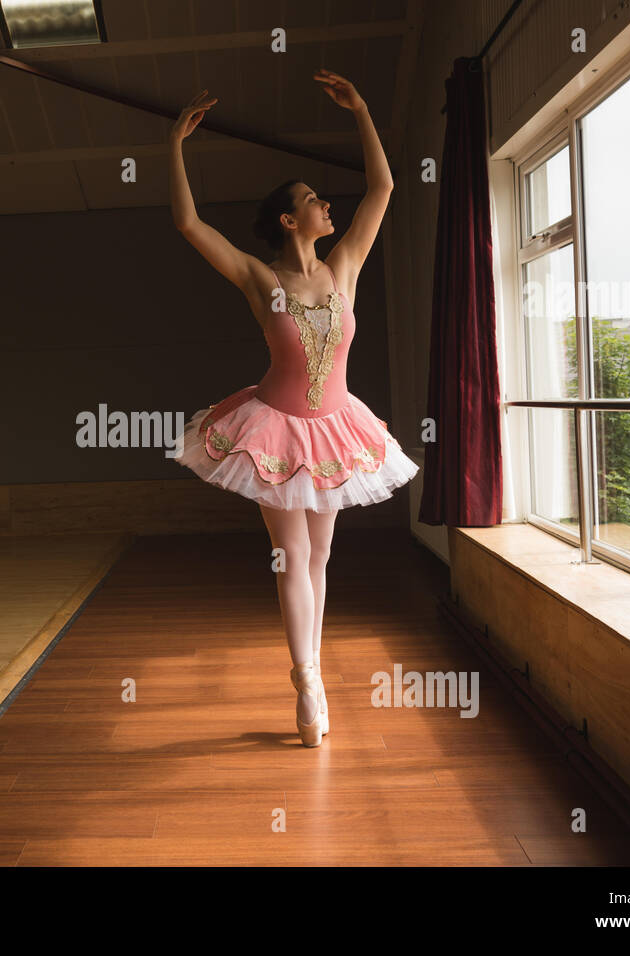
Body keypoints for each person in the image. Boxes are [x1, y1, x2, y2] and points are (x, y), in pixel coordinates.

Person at [168, 70, 419, 747]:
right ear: (288, 220)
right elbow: (189, 224)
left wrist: (362, 107)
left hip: (336, 427)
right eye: (312, 200)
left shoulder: (344, 269)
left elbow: (383, 188)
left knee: (321, 556)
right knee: (294, 551)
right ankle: (307, 681)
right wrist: (176, 145)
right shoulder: (260, 276)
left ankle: (310, 672)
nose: (325, 206)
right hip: (275, 428)